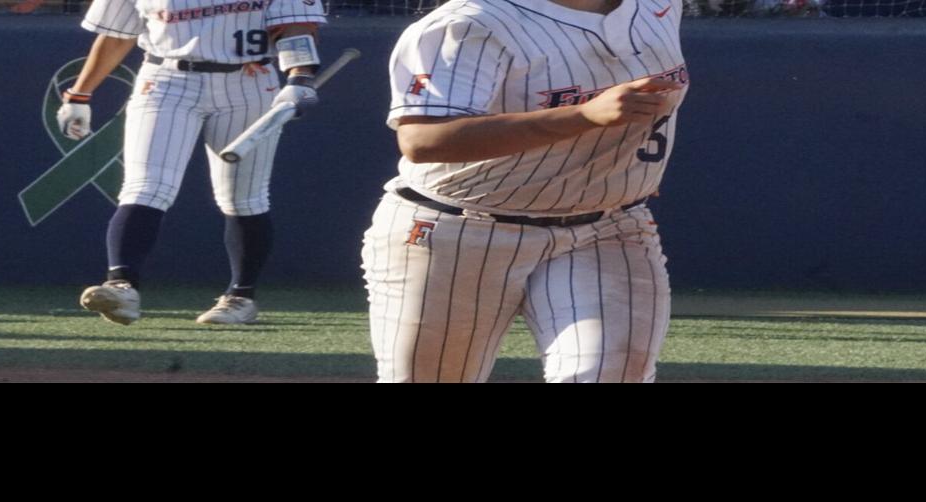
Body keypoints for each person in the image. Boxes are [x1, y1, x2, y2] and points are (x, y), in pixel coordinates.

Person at [360, 0, 688, 382]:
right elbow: (422, 140)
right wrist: (583, 115)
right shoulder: (467, 23)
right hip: (458, 228)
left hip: (609, 227)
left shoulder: (658, 4)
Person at [57, 0, 328, 326]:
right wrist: (80, 94)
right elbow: (117, 34)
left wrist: (299, 76)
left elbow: (296, 24)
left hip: (248, 78)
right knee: (146, 187)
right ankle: (121, 285)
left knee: (243, 196)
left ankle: (241, 297)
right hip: (165, 79)